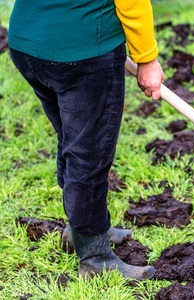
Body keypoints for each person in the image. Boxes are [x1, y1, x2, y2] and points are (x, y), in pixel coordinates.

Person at [8, 0, 164, 280]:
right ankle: (95, 256)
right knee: (88, 154)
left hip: (28, 44)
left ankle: (83, 227)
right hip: (82, 53)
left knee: (73, 138)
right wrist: (147, 59)